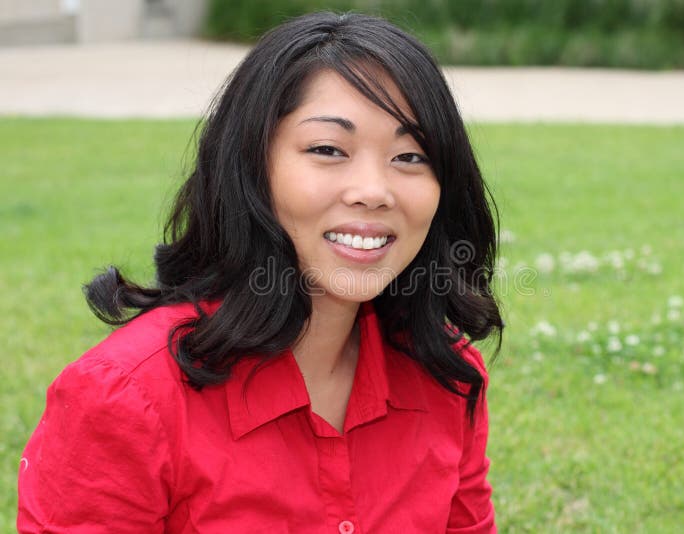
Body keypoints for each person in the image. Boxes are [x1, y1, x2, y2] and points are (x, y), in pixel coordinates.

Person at [17, 11, 503, 533]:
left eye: (410, 156)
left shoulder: (446, 373)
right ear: (250, 167)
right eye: (327, 150)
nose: (374, 190)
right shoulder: (125, 398)